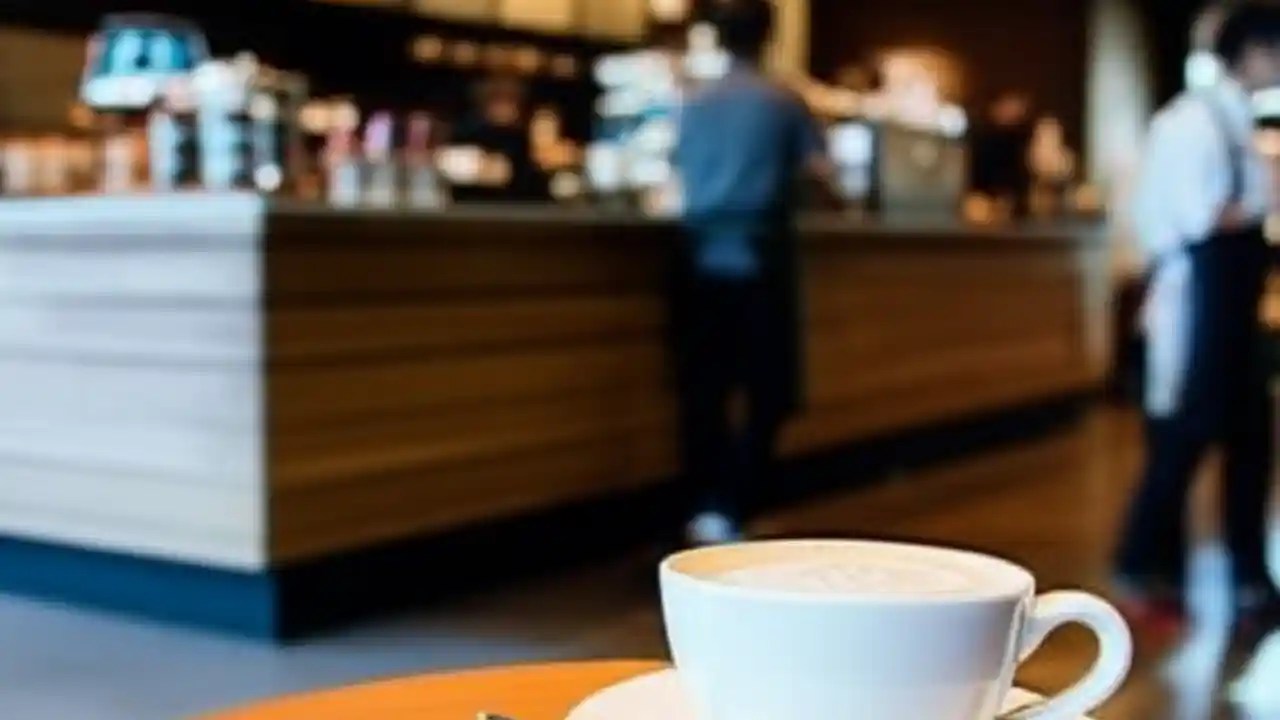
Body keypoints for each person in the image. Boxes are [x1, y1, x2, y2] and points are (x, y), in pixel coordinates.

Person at [1116, 0, 1280, 632]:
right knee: (1183, 442)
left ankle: (1250, 582)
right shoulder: (1191, 122)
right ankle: (1142, 568)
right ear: (1251, 53)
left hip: (1231, 308)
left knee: (1250, 444)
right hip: (1197, 307)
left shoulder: (1237, 121)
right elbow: (1198, 218)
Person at [670, 0, 836, 546]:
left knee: (704, 391)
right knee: (769, 391)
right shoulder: (783, 102)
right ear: (769, 36)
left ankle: (704, 504)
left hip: (695, 259)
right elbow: (821, 174)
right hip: (761, 255)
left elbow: (677, 172)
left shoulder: (693, 102)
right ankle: (736, 504)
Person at [450, 74, 549, 203]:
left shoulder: (528, 140)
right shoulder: (463, 135)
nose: (503, 105)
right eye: (496, 96)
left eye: (510, 97)